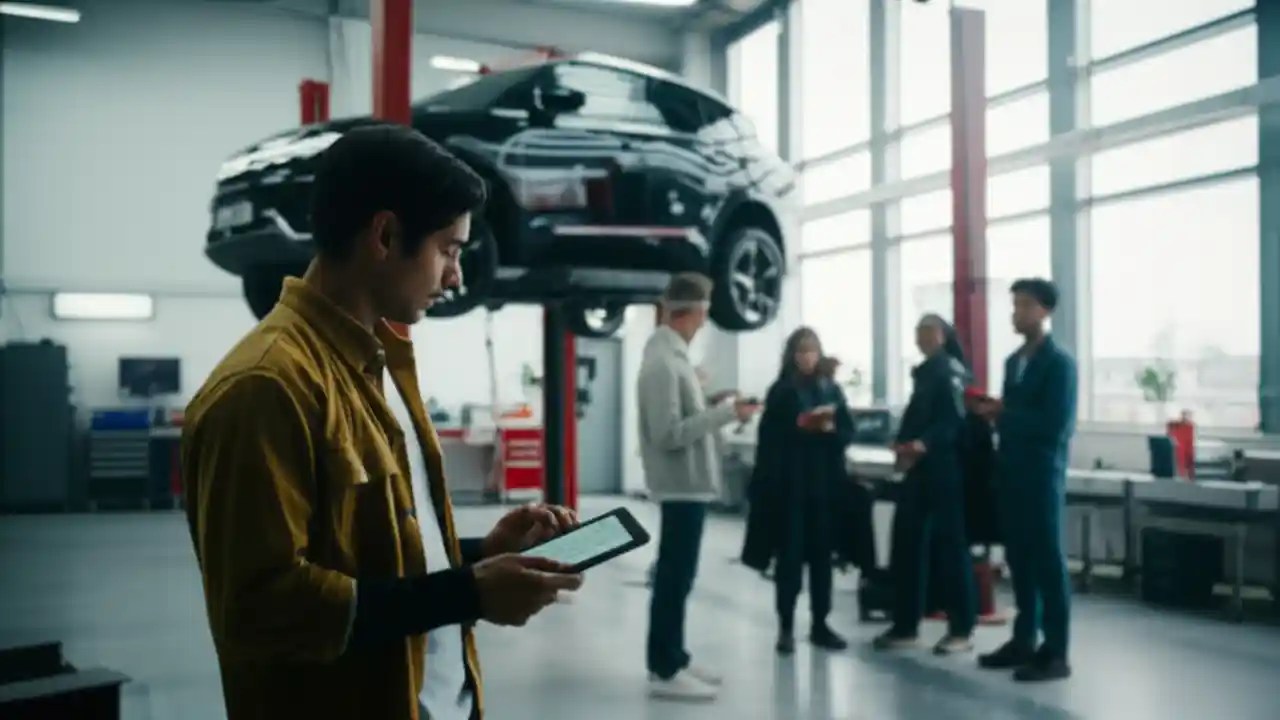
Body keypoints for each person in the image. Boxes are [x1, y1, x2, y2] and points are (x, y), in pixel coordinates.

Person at [182, 125, 584, 720]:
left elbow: (365, 553)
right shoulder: (265, 388)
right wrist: (467, 591)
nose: (457, 277)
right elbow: (261, 608)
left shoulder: (385, 366)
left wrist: (475, 556)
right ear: (386, 236)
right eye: (448, 250)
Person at [637, 273, 758, 701]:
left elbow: (682, 417)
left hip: (688, 486)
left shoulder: (674, 361)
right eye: (704, 314)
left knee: (679, 575)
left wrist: (712, 403)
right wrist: (725, 413)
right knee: (674, 577)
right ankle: (664, 668)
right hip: (680, 486)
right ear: (688, 313)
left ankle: (676, 655)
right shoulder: (664, 365)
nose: (705, 323)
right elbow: (668, 434)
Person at [974, 277, 1077, 682]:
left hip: (1041, 476)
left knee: (1048, 564)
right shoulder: (1013, 362)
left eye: (1025, 305)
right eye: (1014, 305)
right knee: (1020, 563)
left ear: (1045, 311)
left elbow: (1056, 426)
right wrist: (997, 413)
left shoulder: (1060, 364)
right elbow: (1015, 418)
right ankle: (1023, 641)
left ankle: (1056, 651)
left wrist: (1004, 415)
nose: (1016, 313)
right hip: (1012, 475)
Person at [741, 327, 853, 656]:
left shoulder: (830, 389)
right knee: (789, 560)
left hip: (822, 486)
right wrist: (799, 428)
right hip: (790, 487)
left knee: (822, 559)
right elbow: (770, 440)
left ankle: (821, 623)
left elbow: (846, 430)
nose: (807, 357)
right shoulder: (781, 391)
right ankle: (786, 627)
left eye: (812, 350)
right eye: (801, 351)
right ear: (792, 355)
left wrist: (830, 429)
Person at [872, 314, 976, 655]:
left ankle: (961, 627)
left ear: (943, 335)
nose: (922, 338)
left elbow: (953, 422)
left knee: (950, 549)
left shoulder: (950, 372)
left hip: (945, 470)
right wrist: (903, 444)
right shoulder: (927, 373)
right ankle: (905, 624)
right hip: (918, 471)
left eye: (928, 331)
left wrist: (924, 444)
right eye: (917, 332)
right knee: (907, 545)